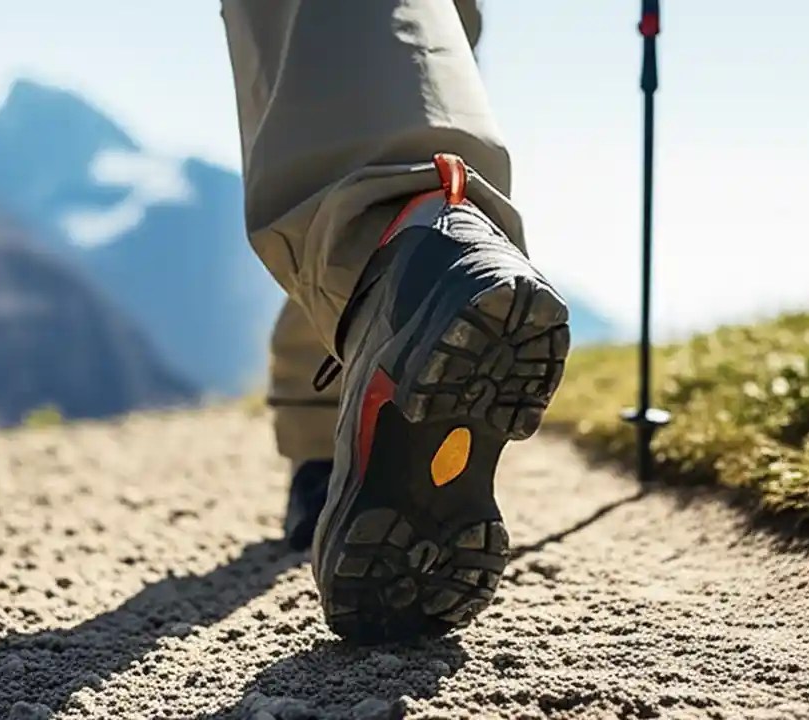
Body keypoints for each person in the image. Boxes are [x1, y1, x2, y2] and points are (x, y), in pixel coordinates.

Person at [222, 0, 571, 643]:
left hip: (403, 258)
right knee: (414, 34)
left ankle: (396, 248)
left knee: (421, 25)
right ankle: (415, 240)